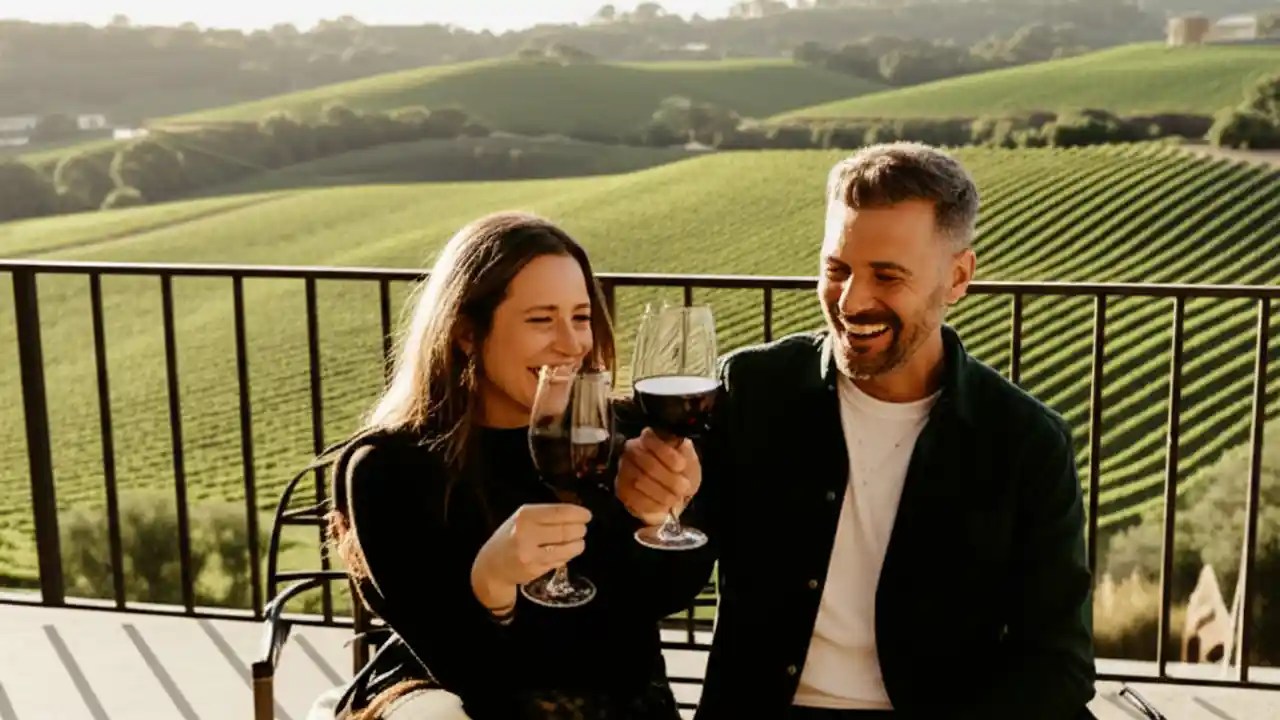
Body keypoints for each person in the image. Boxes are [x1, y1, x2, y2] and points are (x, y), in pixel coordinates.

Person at [616, 142, 1097, 719]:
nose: (851, 299)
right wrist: (653, 515)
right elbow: (665, 592)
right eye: (836, 269)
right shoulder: (752, 391)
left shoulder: (1026, 441)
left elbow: (1057, 667)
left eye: (887, 276)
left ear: (958, 277)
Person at [323, 211, 698, 720]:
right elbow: (471, 671)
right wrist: (491, 587)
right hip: (461, 698)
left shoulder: (620, 434)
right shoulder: (389, 470)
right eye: (541, 319)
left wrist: (659, 518)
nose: (571, 344)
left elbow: (667, 595)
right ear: (465, 334)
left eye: (581, 316)